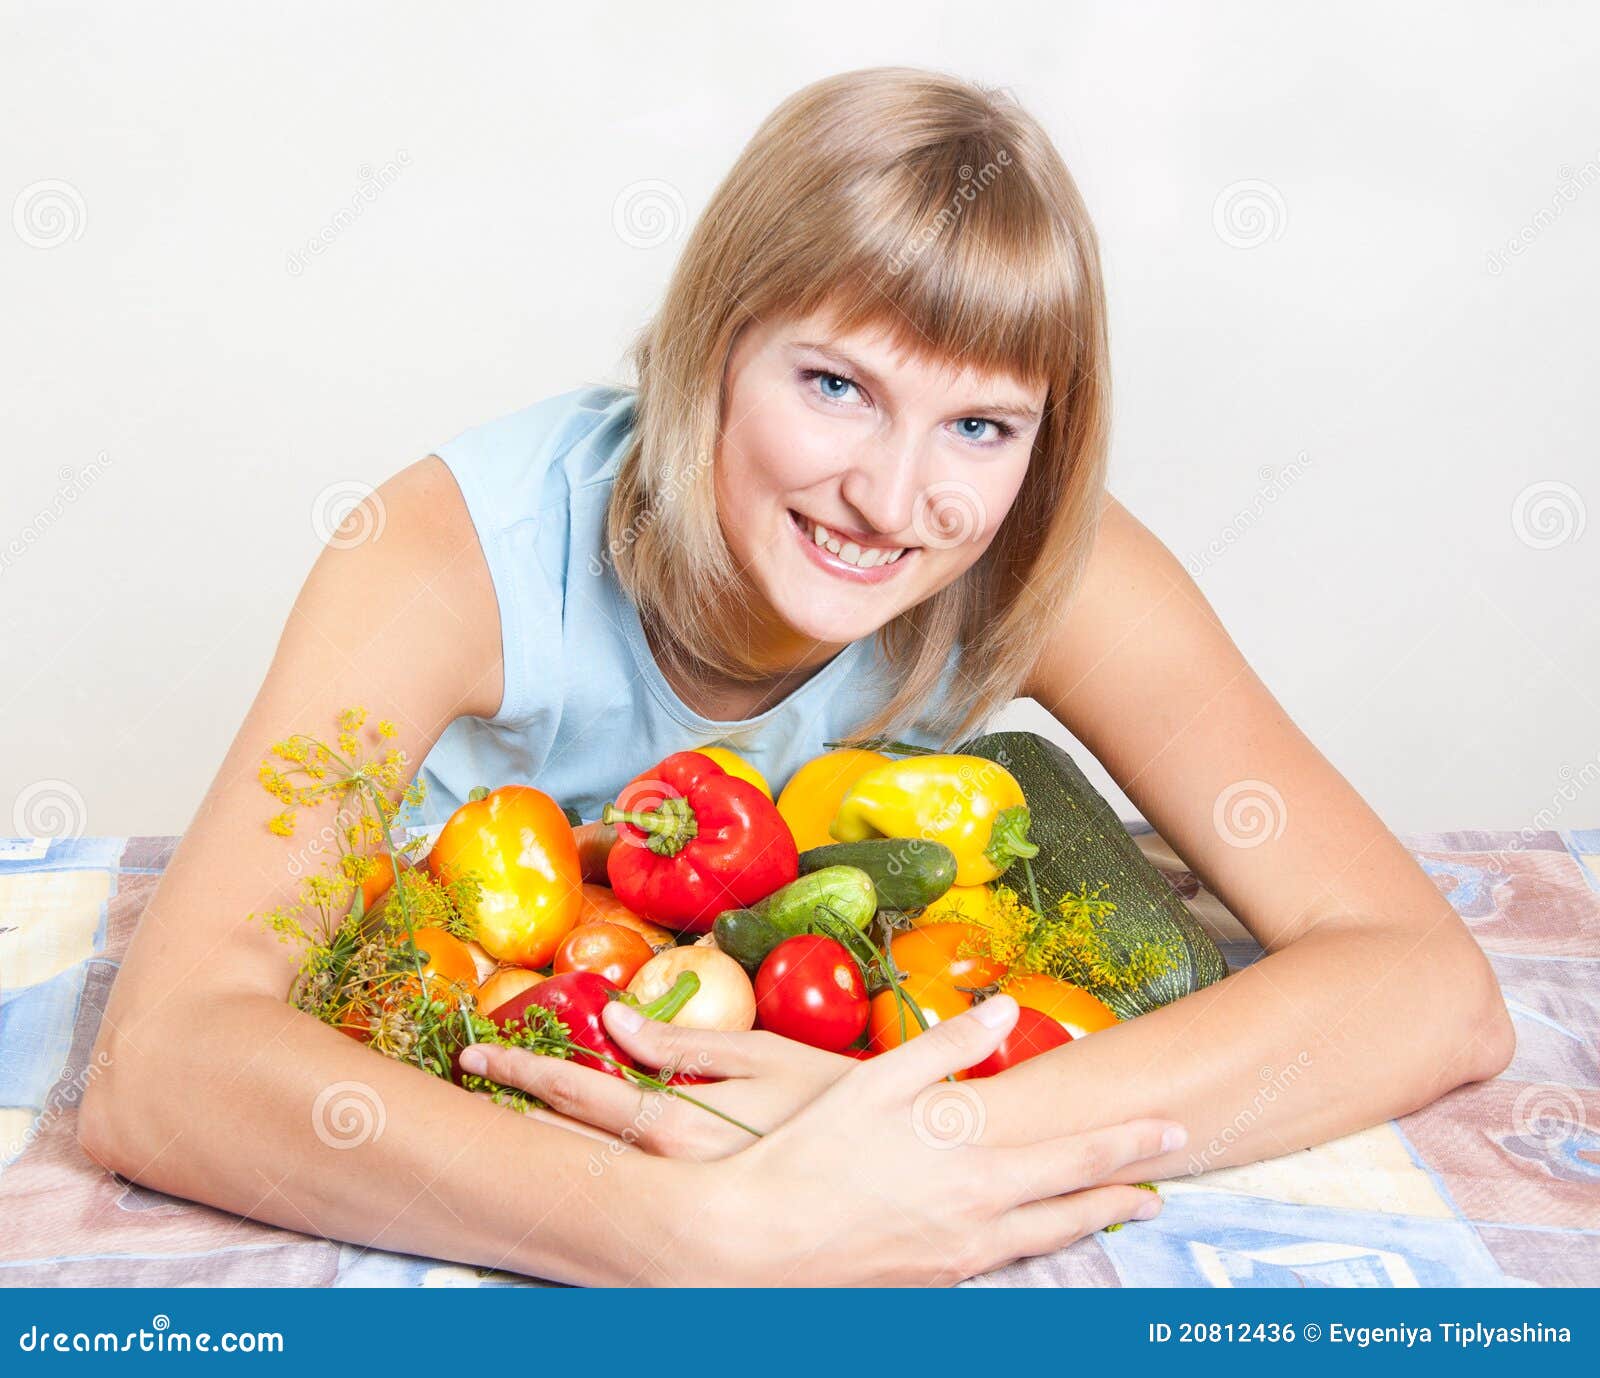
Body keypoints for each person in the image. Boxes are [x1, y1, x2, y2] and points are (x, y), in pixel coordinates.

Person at [78, 66, 1513, 1287]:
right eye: (836, 386)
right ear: (710, 346)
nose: (895, 496)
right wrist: (687, 1232)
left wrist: (943, 1130)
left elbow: (1427, 986)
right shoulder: (443, 550)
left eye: (982, 425)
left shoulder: (1041, 555)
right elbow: (167, 1062)